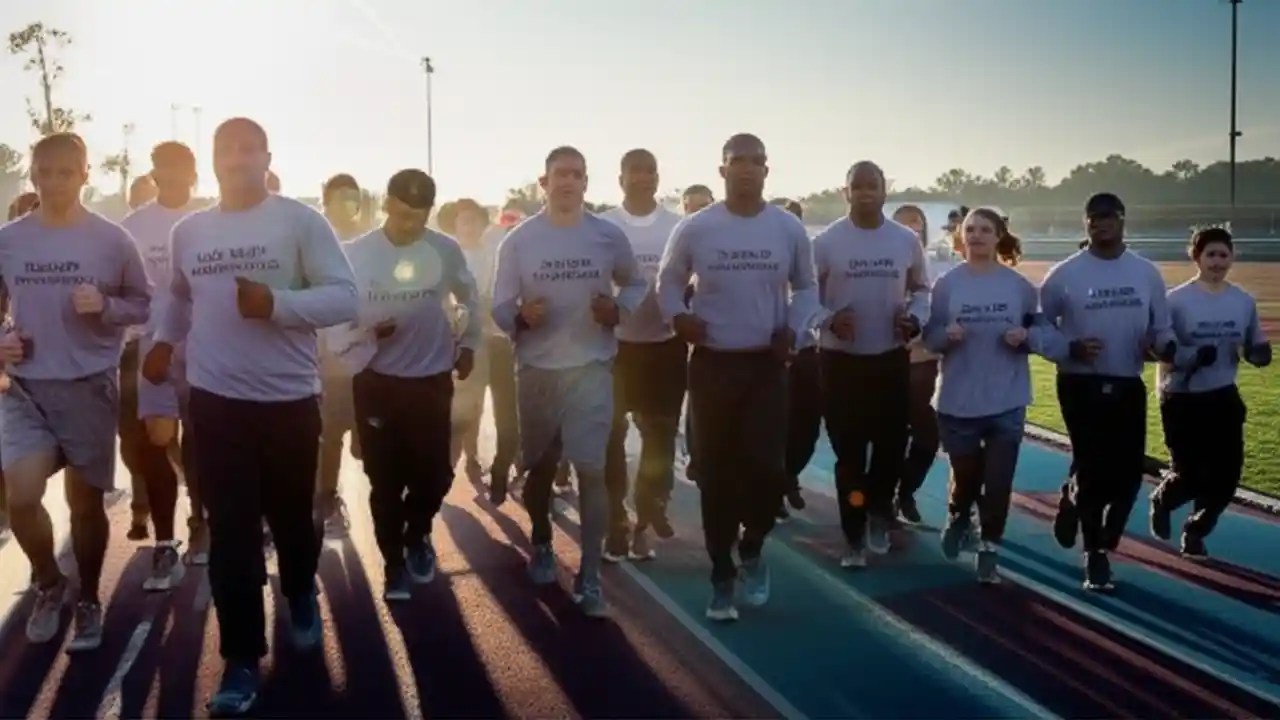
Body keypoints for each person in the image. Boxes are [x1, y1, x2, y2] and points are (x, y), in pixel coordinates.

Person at [142, 117, 357, 715]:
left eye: (248, 149)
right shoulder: (191, 231)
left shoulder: (299, 221)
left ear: (267, 156)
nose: (236, 159)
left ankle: (298, 590)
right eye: (226, 150)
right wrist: (162, 340)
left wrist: (279, 305)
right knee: (231, 530)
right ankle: (239, 660)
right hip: (215, 404)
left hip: (288, 401)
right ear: (213, 160)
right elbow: (178, 296)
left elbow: (345, 295)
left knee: (292, 521)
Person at [656, 133, 820, 621]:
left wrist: (793, 327)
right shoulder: (696, 228)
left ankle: (752, 547)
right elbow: (667, 281)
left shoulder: (787, 228)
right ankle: (721, 576)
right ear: (722, 170)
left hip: (766, 366)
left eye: (756, 161)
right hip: (713, 365)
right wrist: (677, 318)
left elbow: (807, 287)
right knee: (714, 475)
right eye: (737, 161)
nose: (747, 168)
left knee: (769, 471)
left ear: (767, 171)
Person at [0, 132, 151, 651]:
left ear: (86, 174)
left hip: (89, 387)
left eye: (67, 172)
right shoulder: (9, 239)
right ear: (33, 175)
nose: (55, 182)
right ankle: (48, 581)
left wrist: (105, 307)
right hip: (25, 391)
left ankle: (88, 598)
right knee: (20, 497)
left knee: (84, 505)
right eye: (45, 172)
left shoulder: (112, 240)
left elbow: (143, 304)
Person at [491, 145, 646, 617]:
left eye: (577, 174)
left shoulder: (606, 235)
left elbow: (636, 283)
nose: (568, 182)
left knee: (592, 471)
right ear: (544, 182)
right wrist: (520, 316)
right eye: (560, 174)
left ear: (585, 182)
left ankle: (591, 576)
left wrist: (617, 311)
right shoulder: (519, 240)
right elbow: (499, 307)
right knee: (539, 470)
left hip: (592, 370)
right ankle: (541, 539)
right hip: (537, 371)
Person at [345, 170, 479, 600]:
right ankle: (393, 566)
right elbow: (334, 318)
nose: (407, 226)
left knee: (435, 473)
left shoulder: (445, 249)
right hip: (376, 381)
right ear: (385, 205)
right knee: (384, 481)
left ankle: (417, 530)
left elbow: (470, 297)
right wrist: (366, 332)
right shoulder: (357, 253)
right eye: (401, 215)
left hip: (431, 380)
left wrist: (470, 343)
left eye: (417, 218)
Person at [1040, 192, 1174, 592]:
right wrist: (1069, 348)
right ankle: (1096, 553)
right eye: (1092, 218)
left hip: (1128, 380)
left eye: (1107, 217)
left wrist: (1164, 345)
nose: (1099, 224)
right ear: (1085, 224)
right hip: (1079, 382)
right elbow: (1038, 327)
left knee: (1129, 474)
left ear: (1122, 220)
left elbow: (1161, 326)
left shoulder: (1146, 273)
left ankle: (1071, 496)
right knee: (1096, 470)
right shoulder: (1064, 274)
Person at [923, 208, 1056, 583]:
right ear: (961, 237)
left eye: (986, 229)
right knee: (966, 475)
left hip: (1006, 400)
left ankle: (990, 548)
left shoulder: (1020, 287)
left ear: (999, 236)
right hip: (958, 399)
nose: (977, 235)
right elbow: (929, 339)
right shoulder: (947, 285)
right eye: (971, 230)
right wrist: (944, 335)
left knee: (998, 481)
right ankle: (958, 513)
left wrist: (1026, 338)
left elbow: (1044, 336)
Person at [811, 162, 929, 567]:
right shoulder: (826, 242)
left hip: (889, 360)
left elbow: (921, 290)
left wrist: (915, 318)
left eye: (872, 186)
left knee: (891, 448)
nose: (864, 193)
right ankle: (853, 535)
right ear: (845, 193)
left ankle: (880, 508)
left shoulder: (904, 240)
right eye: (856, 187)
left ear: (884, 190)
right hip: (841, 363)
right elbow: (805, 296)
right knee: (849, 456)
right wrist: (828, 319)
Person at [1150, 227, 1271, 559]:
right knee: (1191, 475)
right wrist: (1188, 355)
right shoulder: (1176, 300)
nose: (1217, 262)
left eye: (1223, 254)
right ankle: (1163, 499)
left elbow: (1254, 341)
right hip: (1182, 397)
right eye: (1210, 254)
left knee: (1226, 477)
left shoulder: (1242, 301)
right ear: (1196, 257)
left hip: (1222, 395)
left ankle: (1195, 531)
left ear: (1232, 257)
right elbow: (1157, 347)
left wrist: (1259, 353)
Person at [121, 141, 208, 586]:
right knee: (156, 440)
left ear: (194, 175)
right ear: (153, 174)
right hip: (152, 349)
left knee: (198, 439)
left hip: (206, 350)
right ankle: (164, 542)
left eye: (180, 170)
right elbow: (120, 288)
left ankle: (200, 520)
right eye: (162, 171)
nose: (170, 178)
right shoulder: (132, 227)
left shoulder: (208, 223)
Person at [599, 149, 684, 560]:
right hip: (615, 349)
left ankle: (646, 515)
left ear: (657, 177)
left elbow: (693, 279)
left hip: (665, 349)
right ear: (621, 178)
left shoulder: (678, 227)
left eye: (650, 171)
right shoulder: (604, 226)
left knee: (661, 436)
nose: (644, 178)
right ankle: (616, 520)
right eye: (635, 172)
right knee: (611, 438)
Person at [892, 203, 959, 524]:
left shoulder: (938, 268)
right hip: (887, 362)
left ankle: (904, 491)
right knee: (889, 437)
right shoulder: (884, 266)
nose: (911, 230)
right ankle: (883, 499)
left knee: (927, 438)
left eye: (916, 224)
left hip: (925, 363)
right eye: (903, 225)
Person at [315, 172, 368, 538]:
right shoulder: (312, 242)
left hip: (368, 363)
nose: (345, 203)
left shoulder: (370, 245)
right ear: (326, 201)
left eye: (352, 197)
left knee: (367, 445)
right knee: (329, 438)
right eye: (338, 197)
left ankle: (390, 511)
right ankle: (328, 502)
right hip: (328, 364)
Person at [439, 198, 493, 483]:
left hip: (484, 337)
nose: (470, 226)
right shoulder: (447, 254)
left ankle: (472, 455)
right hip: (453, 339)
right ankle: (449, 459)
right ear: (455, 224)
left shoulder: (491, 254)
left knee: (477, 399)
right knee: (456, 401)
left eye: (475, 220)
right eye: (464, 220)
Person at [773, 197, 813, 522]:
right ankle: (774, 488)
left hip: (807, 351)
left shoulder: (810, 253)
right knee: (772, 426)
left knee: (806, 426)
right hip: (768, 351)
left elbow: (818, 296)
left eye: (797, 219)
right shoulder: (764, 254)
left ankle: (790, 474)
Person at [485, 203, 526, 504]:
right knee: (507, 420)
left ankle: (529, 475)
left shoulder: (539, 257)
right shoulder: (494, 261)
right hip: (501, 348)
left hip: (538, 350)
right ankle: (501, 472)